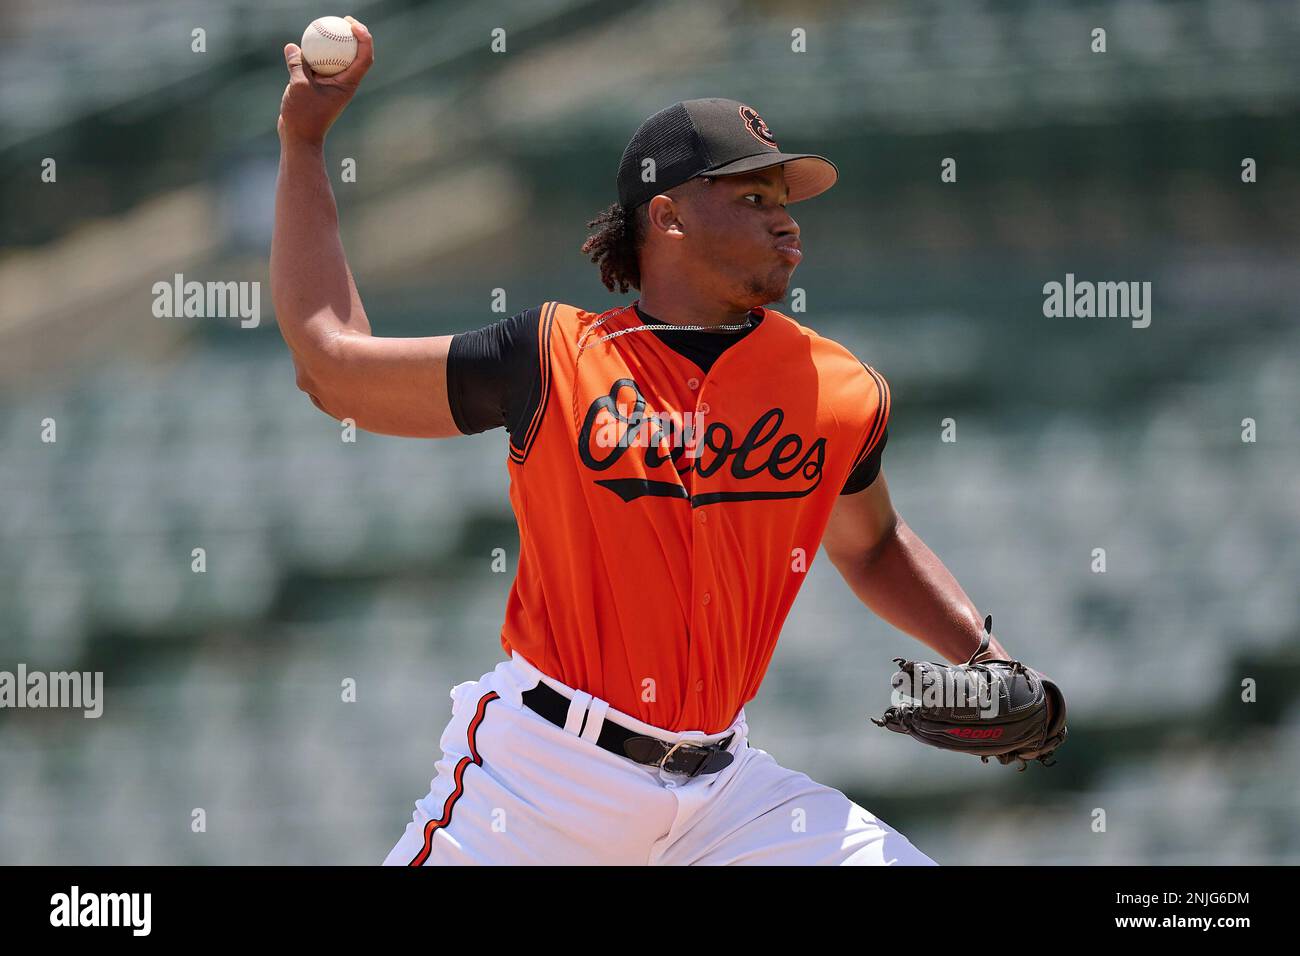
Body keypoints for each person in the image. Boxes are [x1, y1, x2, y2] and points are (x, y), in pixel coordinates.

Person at [272, 17, 1014, 866]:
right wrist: (303, 143)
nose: (788, 223)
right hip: (545, 780)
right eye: (754, 198)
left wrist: (987, 658)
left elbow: (872, 543)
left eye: (785, 201)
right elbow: (331, 365)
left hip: (727, 795)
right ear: (666, 217)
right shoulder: (553, 356)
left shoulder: (835, 385)